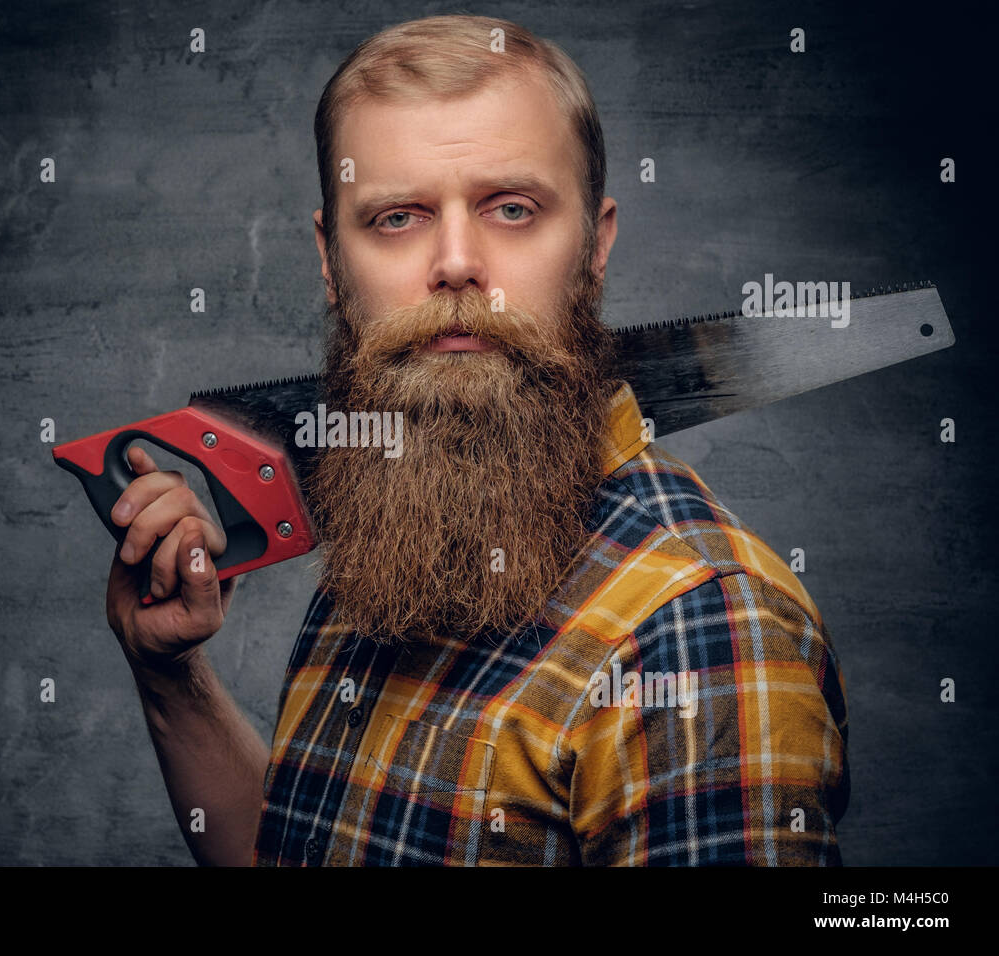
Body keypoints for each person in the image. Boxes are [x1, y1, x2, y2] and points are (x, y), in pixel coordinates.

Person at [104, 14, 850, 866]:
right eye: (395, 218)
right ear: (329, 260)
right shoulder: (394, 523)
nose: (457, 262)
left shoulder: (695, 628)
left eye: (511, 208)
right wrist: (171, 681)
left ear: (595, 246)